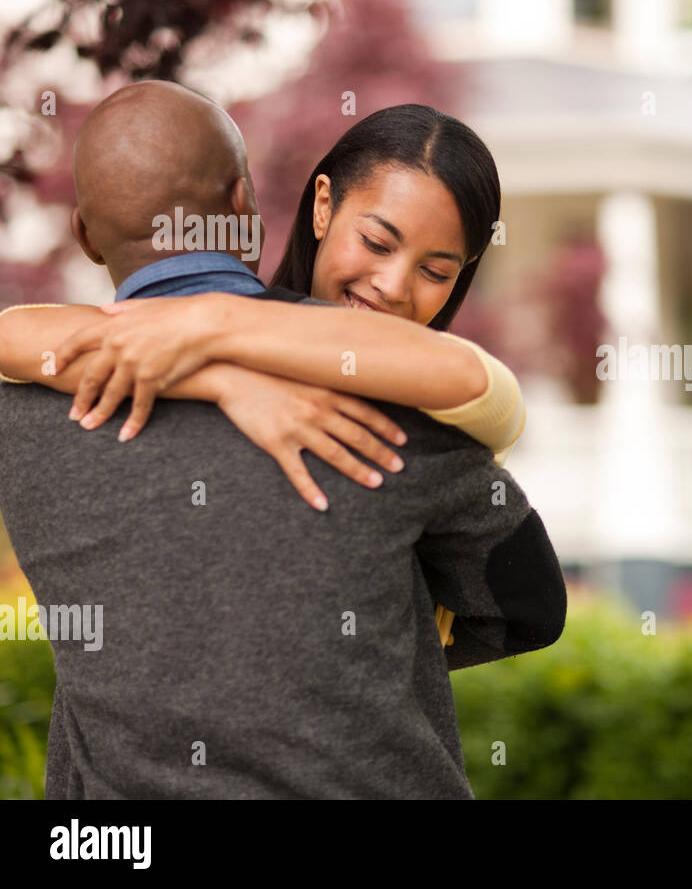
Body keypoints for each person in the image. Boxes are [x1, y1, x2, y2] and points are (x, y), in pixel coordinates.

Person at [0, 81, 565, 798]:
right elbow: (529, 609)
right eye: (379, 241)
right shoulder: (386, 415)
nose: (392, 288)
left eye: (436, 270)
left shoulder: (24, 409)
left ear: (83, 234)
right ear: (249, 204)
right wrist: (225, 379)